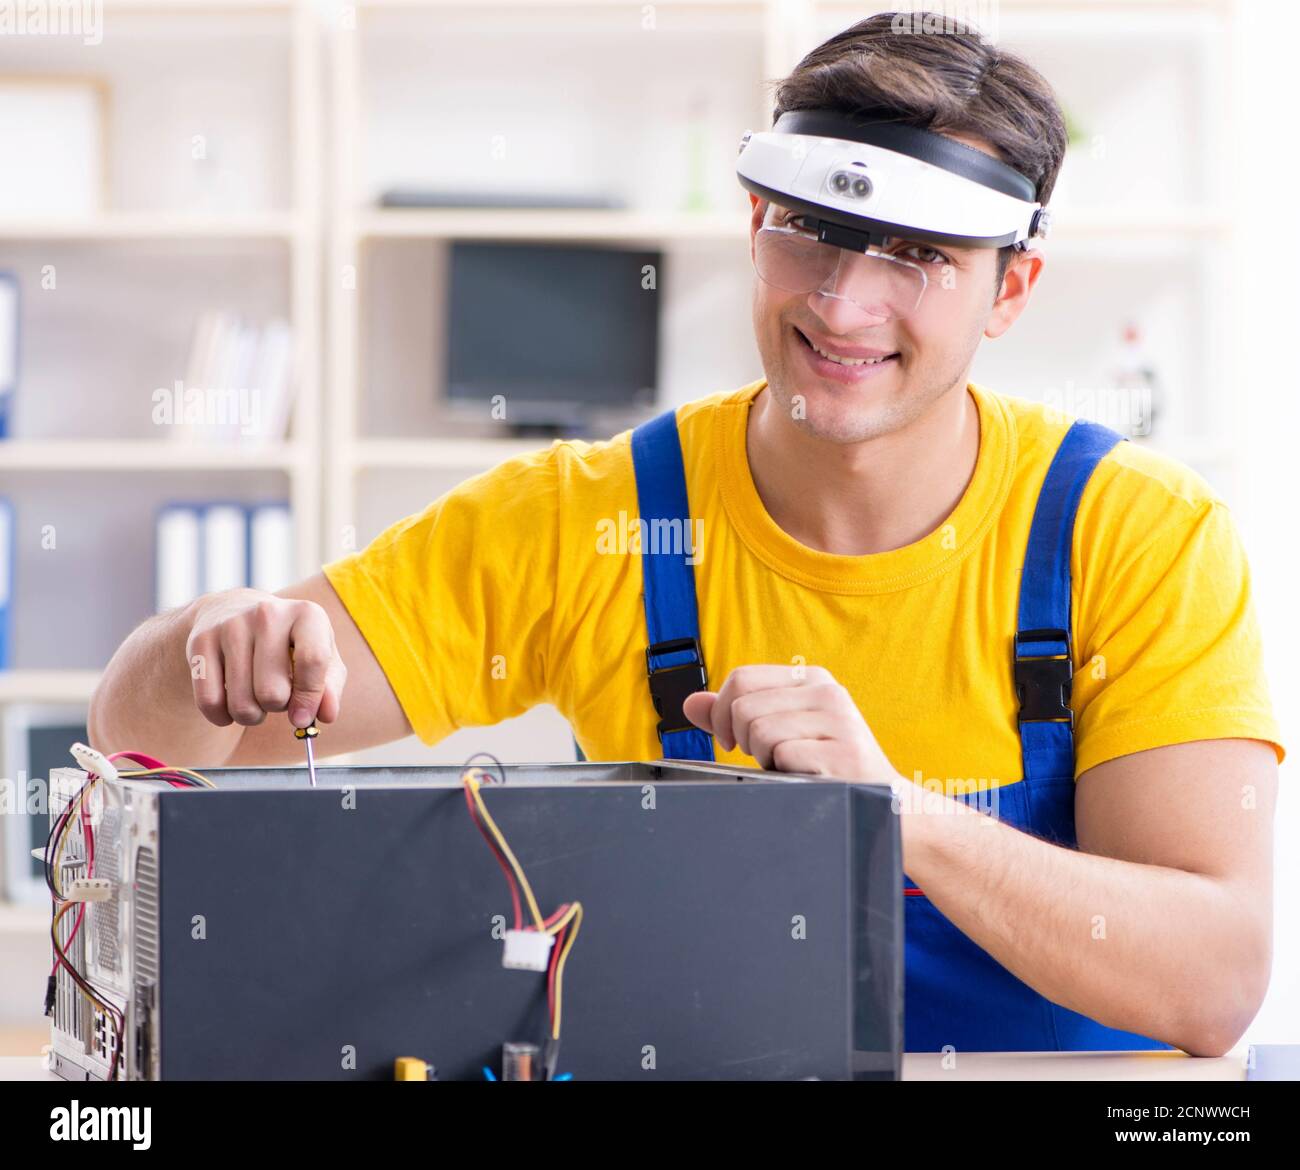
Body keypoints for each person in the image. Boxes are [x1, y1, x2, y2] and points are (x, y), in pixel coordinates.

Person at [89, 14, 1284, 1056]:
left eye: (918, 257)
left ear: (1010, 290)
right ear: (754, 222)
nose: (842, 301)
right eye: (810, 232)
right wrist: (207, 642)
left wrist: (893, 815)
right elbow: (137, 743)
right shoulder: (583, 519)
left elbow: (1214, 985)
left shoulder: (1134, 537)